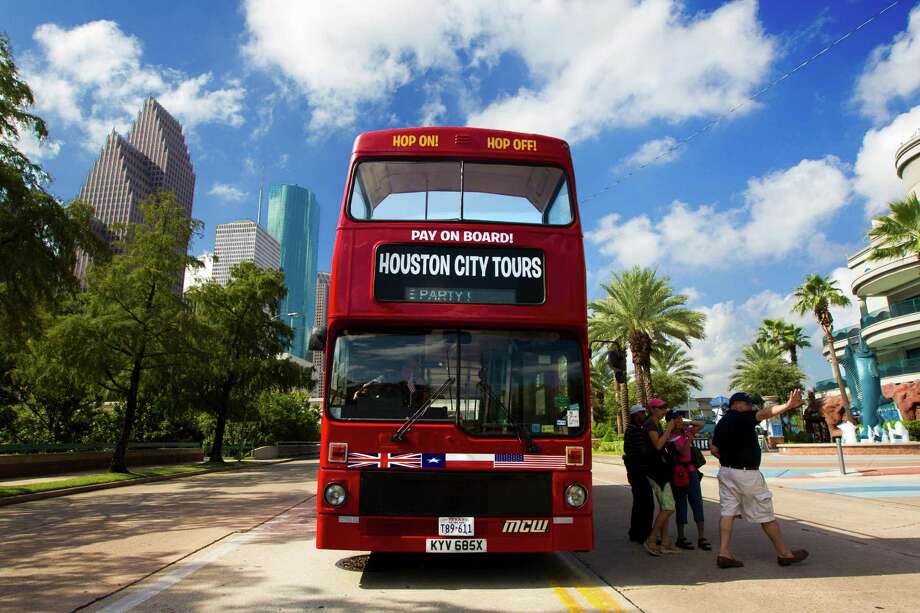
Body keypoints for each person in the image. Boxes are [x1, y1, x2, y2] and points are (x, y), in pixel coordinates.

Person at [710, 390, 809, 569]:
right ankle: (783, 553)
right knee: (765, 513)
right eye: (748, 405)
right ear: (738, 405)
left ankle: (724, 553)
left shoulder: (722, 422)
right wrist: (787, 405)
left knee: (728, 512)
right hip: (747, 474)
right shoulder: (742, 417)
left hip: (726, 472)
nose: (750, 408)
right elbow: (764, 413)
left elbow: (714, 449)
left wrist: (729, 459)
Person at [665, 410, 710, 551]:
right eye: (676, 419)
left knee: (697, 502)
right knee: (681, 504)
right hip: (679, 474)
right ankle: (681, 537)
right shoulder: (670, 437)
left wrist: (687, 422)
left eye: (680, 418)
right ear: (670, 422)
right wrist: (689, 437)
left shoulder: (685, 430)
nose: (679, 421)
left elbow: (702, 424)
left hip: (691, 472)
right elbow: (683, 452)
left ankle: (701, 537)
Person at [642, 397, 678, 555]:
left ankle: (664, 541)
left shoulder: (656, 424)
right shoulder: (650, 424)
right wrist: (669, 429)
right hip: (655, 471)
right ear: (653, 409)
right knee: (669, 507)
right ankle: (651, 539)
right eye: (661, 408)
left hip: (661, 469)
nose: (664, 410)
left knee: (665, 506)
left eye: (665, 408)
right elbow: (657, 445)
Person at [623, 404, 654, 544]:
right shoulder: (635, 430)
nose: (643, 415)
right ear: (637, 415)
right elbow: (642, 450)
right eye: (642, 413)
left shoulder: (631, 429)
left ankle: (634, 531)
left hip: (634, 470)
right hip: (639, 471)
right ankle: (644, 533)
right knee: (646, 503)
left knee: (639, 502)